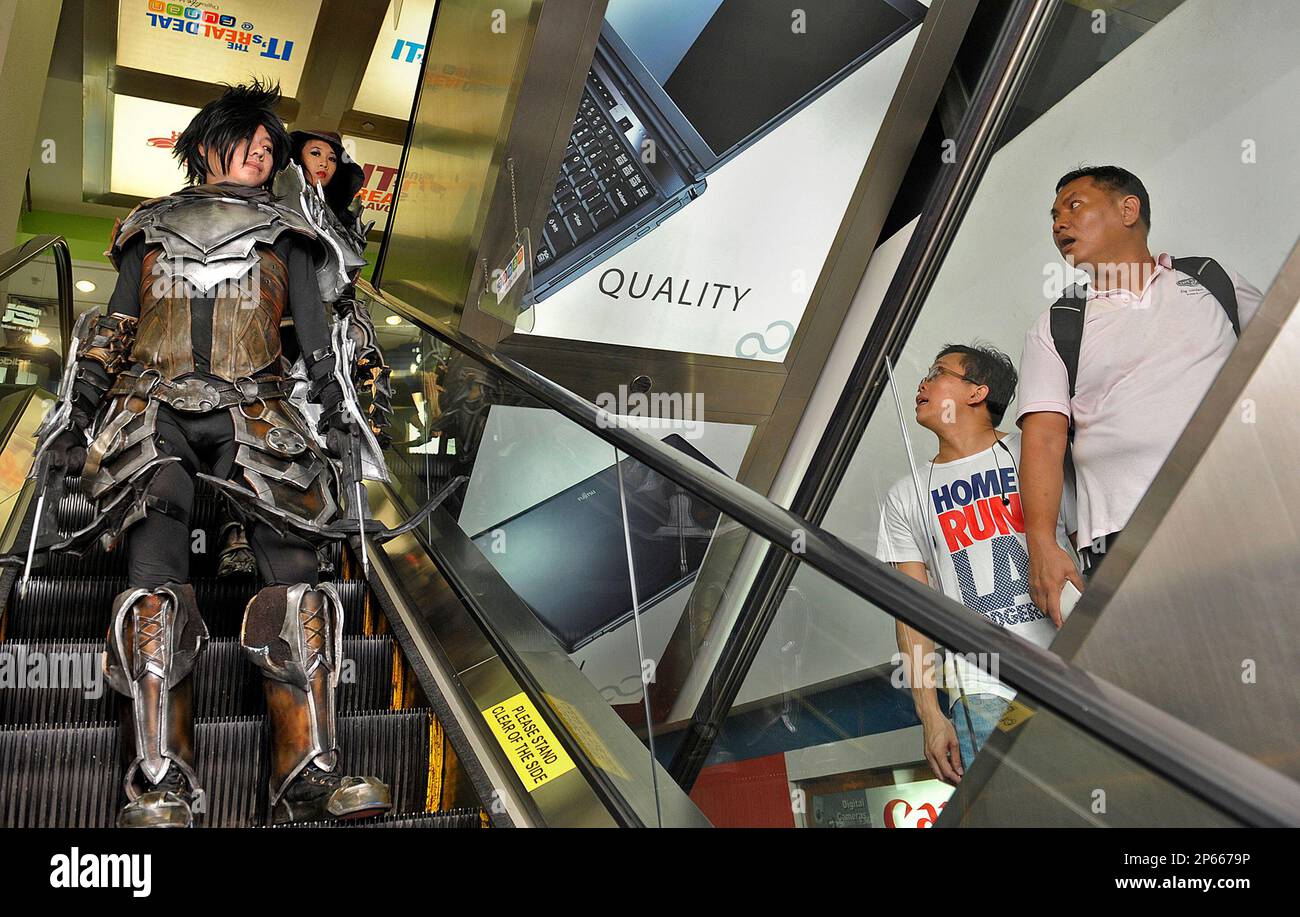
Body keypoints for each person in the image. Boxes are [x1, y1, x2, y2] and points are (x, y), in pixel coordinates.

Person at [34, 80, 392, 827]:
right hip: (150, 408)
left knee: (299, 580)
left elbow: (321, 344)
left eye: (272, 145)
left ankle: (309, 770)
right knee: (153, 581)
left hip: (257, 410)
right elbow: (117, 329)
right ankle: (162, 777)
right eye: (251, 138)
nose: (266, 150)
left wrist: (338, 415)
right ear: (207, 145)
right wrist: (76, 415)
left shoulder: (291, 231)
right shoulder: (146, 227)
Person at [1017, 166, 1262, 624]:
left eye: (1074, 206)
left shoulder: (1212, 281)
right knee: (1171, 686)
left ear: (1128, 209)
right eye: (1053, 216)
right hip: (1125, 542)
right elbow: (1044, 442)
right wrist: (1042, 546)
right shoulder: (1056, 326)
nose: (1058, 224)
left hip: (1245, 511)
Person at [878, 344, 1074, 783]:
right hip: (982, 690)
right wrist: (930, 714)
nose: (922, 383)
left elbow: (1090, 548)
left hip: (1069, 666)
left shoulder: (1036, 453)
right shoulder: (905, 495)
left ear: (977, 393)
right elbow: (912, 612)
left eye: (938, 371)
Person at [217, 127, 392, 577]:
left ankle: (319, 534)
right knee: (255, 430)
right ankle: (236, 532)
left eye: (333, 157)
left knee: (321, 434)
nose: (325, 163)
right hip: (269, 331)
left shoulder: (343, 218)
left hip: (326, 339)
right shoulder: (268, 209)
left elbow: (343, 283)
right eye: (315, 153)